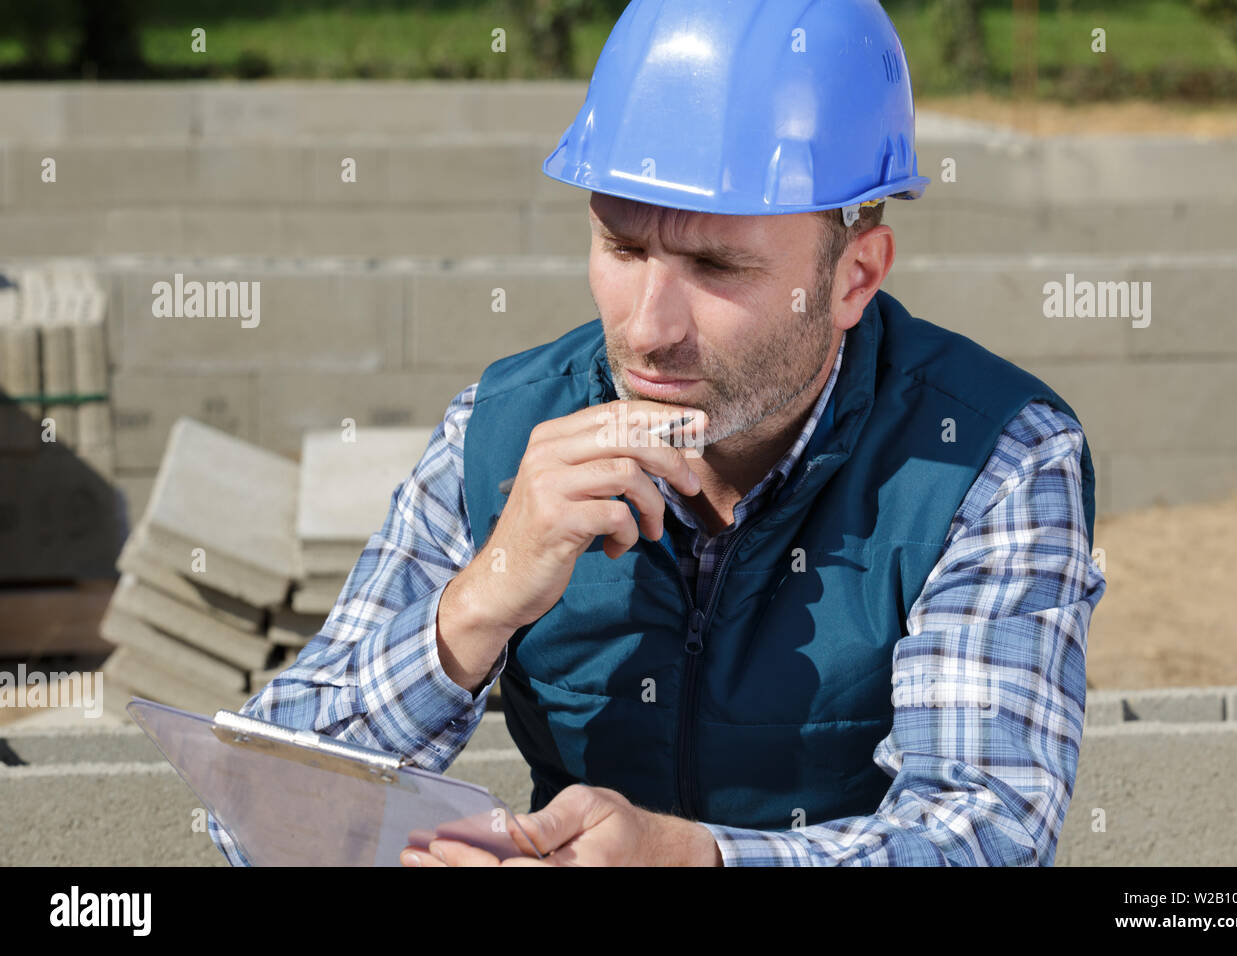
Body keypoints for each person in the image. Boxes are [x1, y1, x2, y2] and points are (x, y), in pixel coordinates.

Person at [210, 0, 1105, 866]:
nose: (646, 329)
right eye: (624, 249)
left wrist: (700, 863)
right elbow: (250, 814)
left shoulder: (989, 461)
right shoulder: (501, 433)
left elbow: (986, 836)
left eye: (717, 267)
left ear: (854, 277)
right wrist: (479, 602)